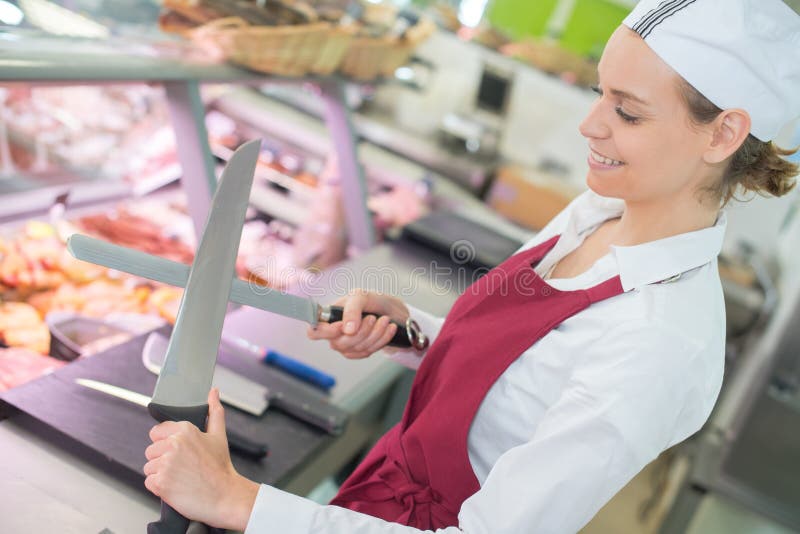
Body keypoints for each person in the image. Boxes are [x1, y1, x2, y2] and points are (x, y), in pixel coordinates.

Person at [143, 0, 800, 532]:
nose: (591, 125)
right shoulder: (597, 212)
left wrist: (236, 501)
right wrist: (412, 332)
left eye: (627, 112)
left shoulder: (663, 340)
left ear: (722, 134)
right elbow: (518, 382)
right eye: (600, 93)